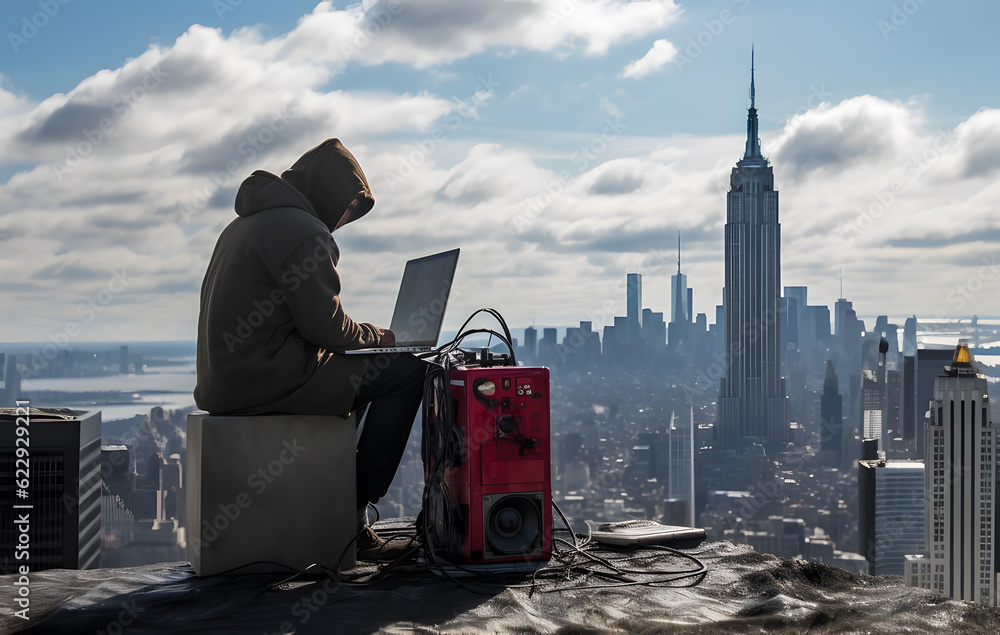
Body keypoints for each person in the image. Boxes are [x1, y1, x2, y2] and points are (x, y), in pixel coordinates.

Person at [194, 139, 426, 560]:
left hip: (227, 383)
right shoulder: (304, 230)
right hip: (269, 382)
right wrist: (381, 338)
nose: (344, 219)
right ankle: (352, 514)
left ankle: (347, 512)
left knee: (359, 375)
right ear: (327, 191)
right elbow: (327, 328)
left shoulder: (243, 225)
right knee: (407, 373)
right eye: (347, 206)